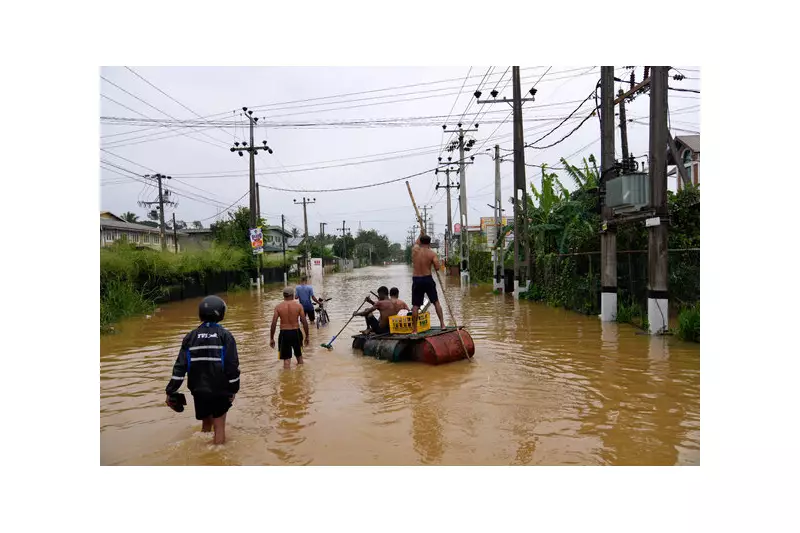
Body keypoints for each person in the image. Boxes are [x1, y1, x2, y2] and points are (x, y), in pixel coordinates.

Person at [166, 295, 240, 445]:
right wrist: (233, 389)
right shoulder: (225, 336)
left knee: (206, 424)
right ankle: (217, 454)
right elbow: (231, 366)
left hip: (198, 389)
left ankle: (203, 451)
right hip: (220, 389)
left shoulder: (190, 337)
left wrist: (170, 391)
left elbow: (180, 367)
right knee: (219, 427)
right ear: (221, 313)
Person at [411, 234, 445, 333]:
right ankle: (442, 325)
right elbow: (437, 268)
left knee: (416, 305)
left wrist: (421, 234)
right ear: (429, 243)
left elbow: (416, 243)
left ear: (420, 242)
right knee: (436, 302)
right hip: (427, 279)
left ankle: (414, 330)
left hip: (416, 279)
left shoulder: (415, 251)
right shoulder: (432, 253)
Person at [271, 286, 310, 369]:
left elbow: (273, 323)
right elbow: (304, 322)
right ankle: (301, 375)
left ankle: (286, 377)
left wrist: (271, 338)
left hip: (284, 334)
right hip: (296, 333)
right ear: (293, 295)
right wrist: (307, 336)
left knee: (286, 360)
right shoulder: (299, 306)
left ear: (283, 295)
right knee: (299, 357)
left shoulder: (278, 307)